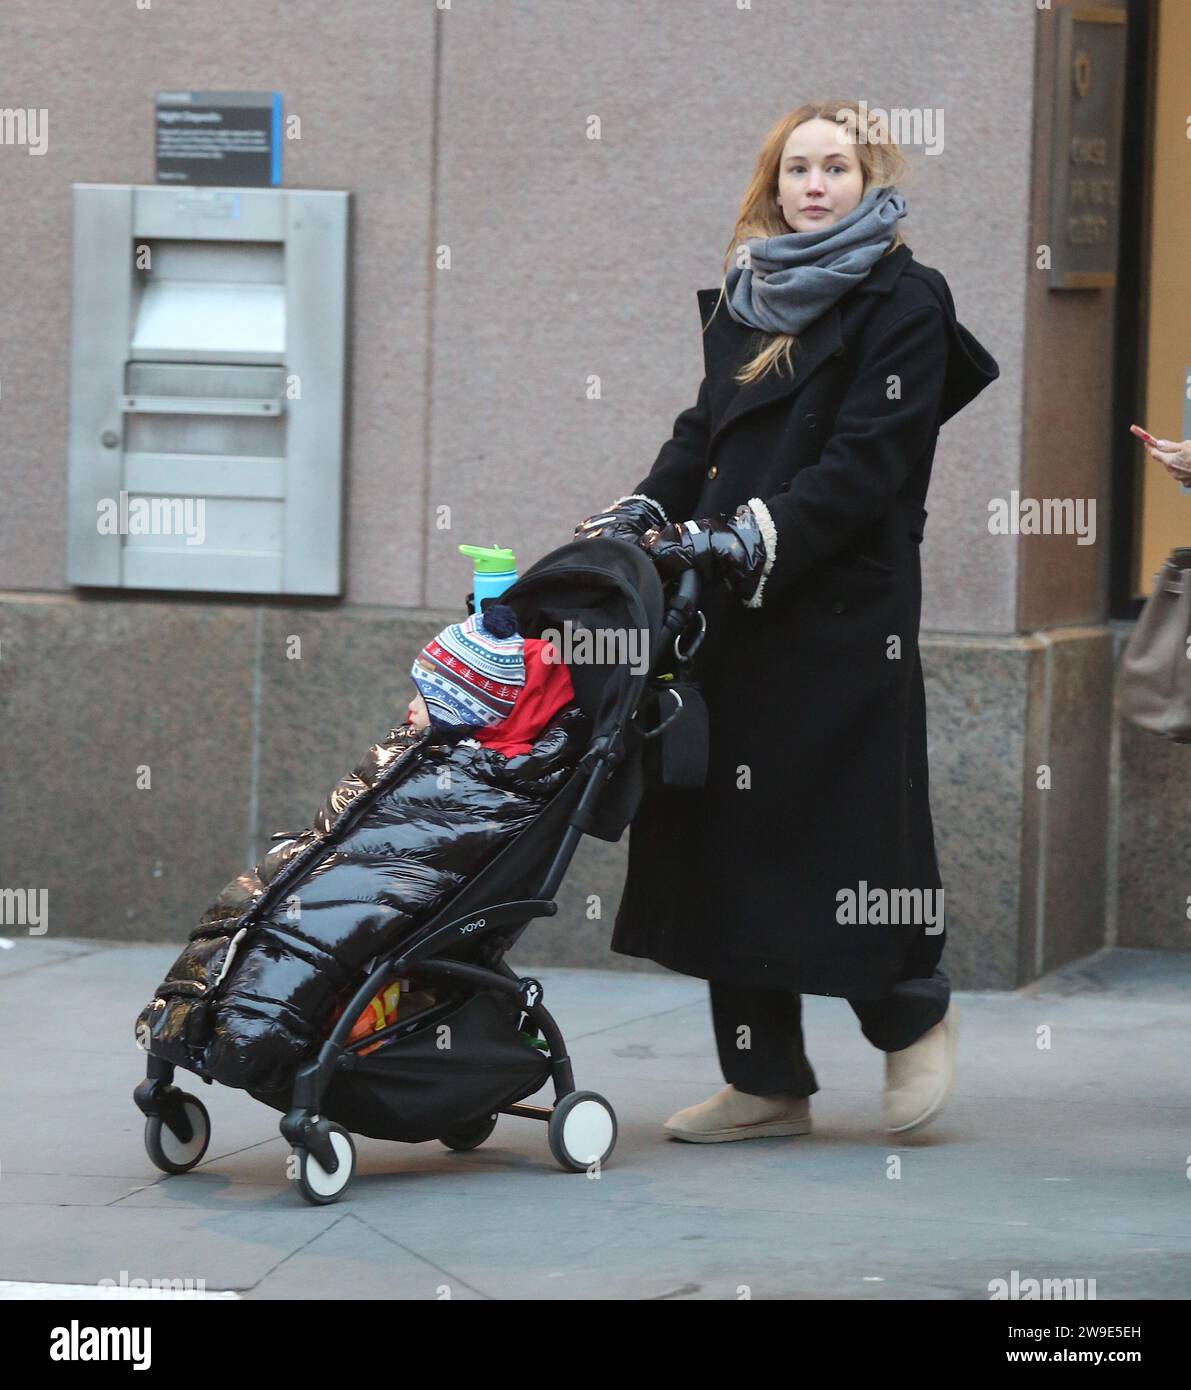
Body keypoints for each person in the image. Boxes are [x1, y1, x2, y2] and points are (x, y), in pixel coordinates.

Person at [575, 99, 999, 1143]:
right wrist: (640, 512)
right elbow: (700, 436)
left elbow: (868, 461)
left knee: (848, 835)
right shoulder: (750, 296)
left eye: (836, 169)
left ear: (871, 181)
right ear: (774, 189)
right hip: (728, 610)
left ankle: (908, 1023)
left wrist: (761, 534)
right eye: (797, 170)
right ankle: (765, 1079)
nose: (815, 185)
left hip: (843, 617)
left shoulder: (905, 299)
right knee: (724, 831)